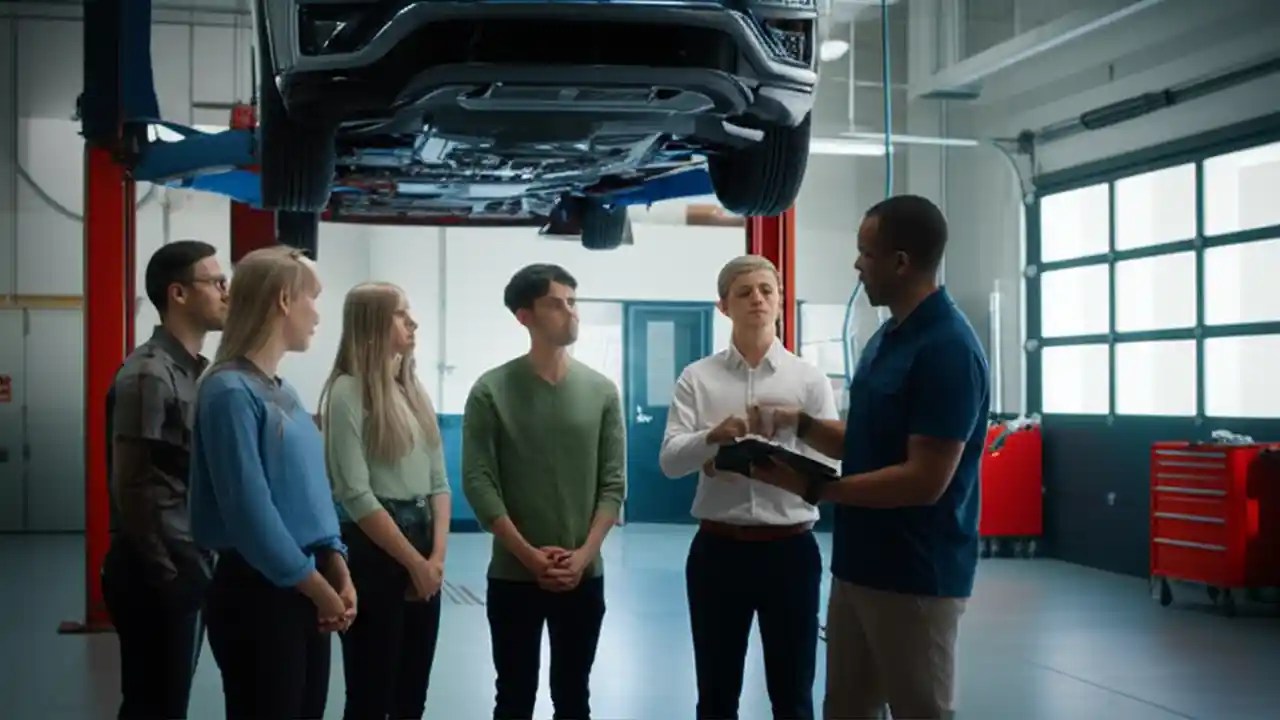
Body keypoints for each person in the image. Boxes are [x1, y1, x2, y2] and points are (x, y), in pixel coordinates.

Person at [752, 195, 990, 720]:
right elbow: (865, 441)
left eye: (866, 252)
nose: (857, 265)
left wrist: (818, 489)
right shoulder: (887, 338)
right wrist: (802, 424)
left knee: (919, 710)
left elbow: (924, 479)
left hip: (917, 577)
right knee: (848, 709)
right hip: (859, 567)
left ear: (901, 262)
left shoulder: (949, 349)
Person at [657, 255, 839, 720]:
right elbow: (671, 461)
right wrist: (712, 439)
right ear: (724, 306)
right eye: (745, 292)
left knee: (793, 694)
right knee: (716, 695)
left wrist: (781, 460)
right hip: (719, 551)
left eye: (767, 290)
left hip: (790, 553)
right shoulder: (696, 379)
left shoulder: (809, 379)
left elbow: (828, 465)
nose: (758, 299)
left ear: (779, 301)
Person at [189, 245, 356, 720]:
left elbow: (310, 491)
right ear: (284, 300)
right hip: (258, 593)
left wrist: (335, 561)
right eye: (312, 299)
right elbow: (249, 511)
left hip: (303, 583)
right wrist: (317, 587)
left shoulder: (283, 391)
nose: (317, 315)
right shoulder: (228, 392)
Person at [461, 263, 626, 720]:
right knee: (513, 697)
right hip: (515, 576)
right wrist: (528, 556)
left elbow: (613, 484)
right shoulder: (491, 391)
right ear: (524, 315)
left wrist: (584, 555)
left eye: (573, 302)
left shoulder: (601, 391)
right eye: (556, 303)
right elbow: (478, 481)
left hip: (582, 575)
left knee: (574, 697)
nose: (570, 312)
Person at [101, 240, 228, 720]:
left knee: (168, 704)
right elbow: (133, 487)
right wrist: (170, 576)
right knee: (154, 706)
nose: (224, 292)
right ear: (178, 293)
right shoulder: (150, 374)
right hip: (155, 572)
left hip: (183, 564)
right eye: (215, 282)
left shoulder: (193, 373)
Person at [319, 282, 451, 720]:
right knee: (371, 692)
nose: (412, 323)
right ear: (372, 324)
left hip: (421, 541)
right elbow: (356, 494)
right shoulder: (346, 393)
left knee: (413, 693)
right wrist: (414, 563)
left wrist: (434, 560)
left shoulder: (413, 393)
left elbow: (439, 484)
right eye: (400, 314)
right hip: (374, 550)